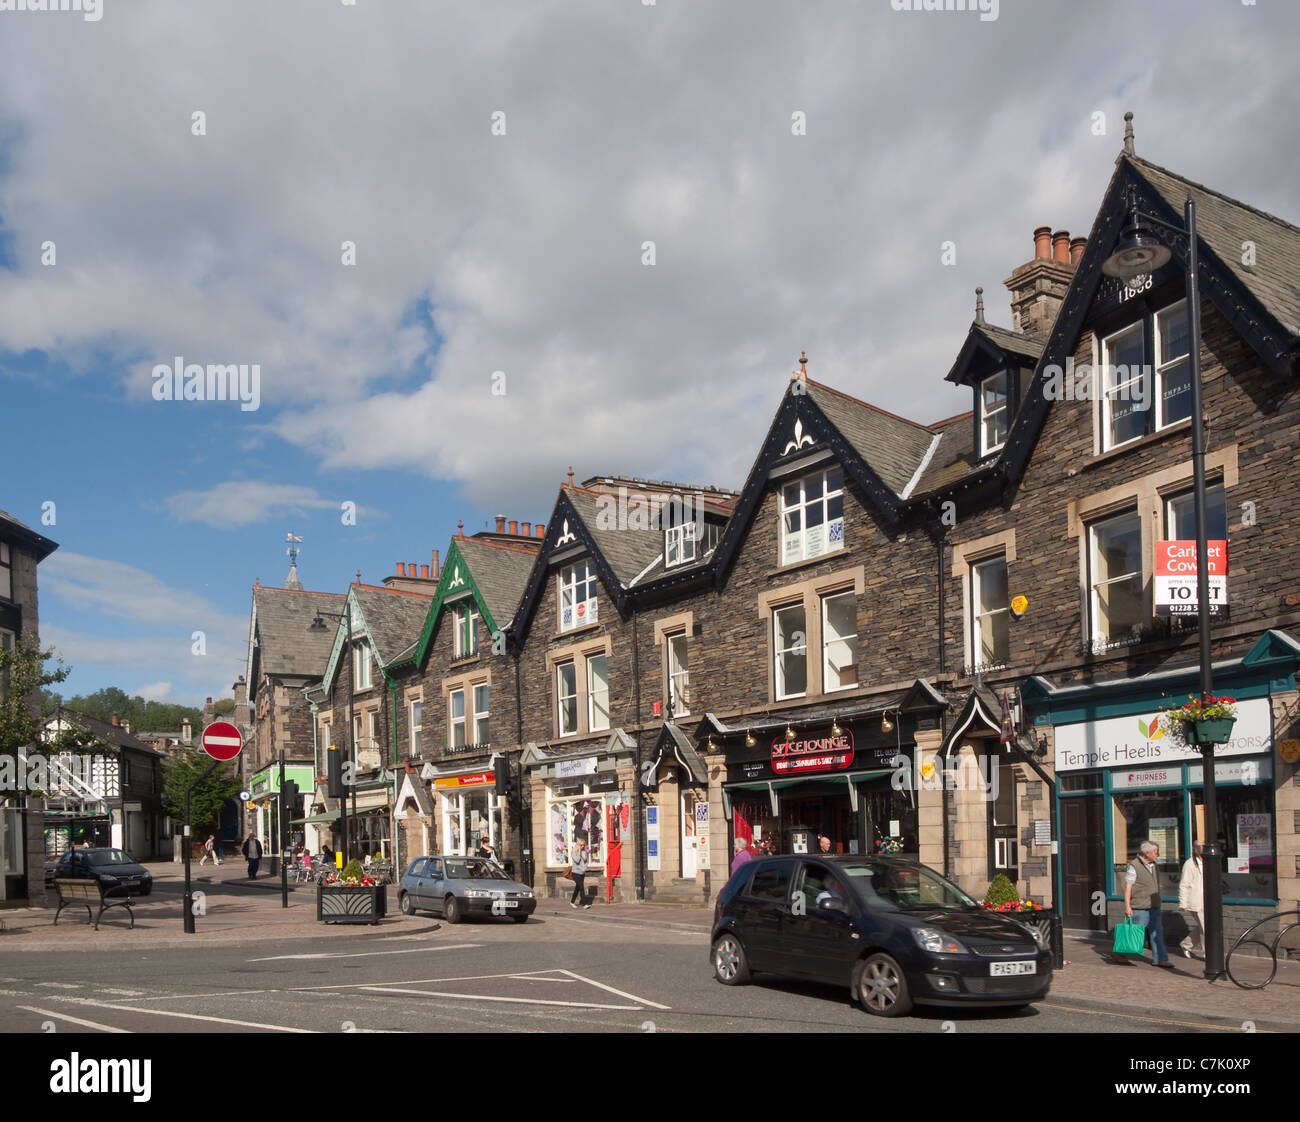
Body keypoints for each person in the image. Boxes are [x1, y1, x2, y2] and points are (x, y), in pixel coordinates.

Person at [1124, 840, 1172, 968]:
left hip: (1154, 906)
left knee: (1157, 932)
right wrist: (1127, 906)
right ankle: (1120, 954)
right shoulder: (1134, 866)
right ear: (1147, 853)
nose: (1158, 854)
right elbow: (1128, 887)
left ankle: (1161, 959)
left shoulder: (1154, 865)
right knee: (1133, 934)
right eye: (1156, 852)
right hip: (1140, 907)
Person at [1179, 844, 1206, 958]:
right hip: (1196, 901)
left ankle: (1186, 945)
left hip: (1208, 900)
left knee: (1204, 927)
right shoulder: (1190, 864)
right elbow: (1184, 884)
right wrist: (1183, 903)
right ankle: (1208, 955)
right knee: (1206, 928)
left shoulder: (1208, 862)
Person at [569, 836, 590, 909]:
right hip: (575, 873)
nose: (582, 846)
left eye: (584, 845)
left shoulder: (584, 852)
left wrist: (585, 867)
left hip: (582, 872)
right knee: (581, 887)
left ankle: (572, 902)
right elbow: (577, 860)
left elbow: (586, 860)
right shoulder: (573, 852)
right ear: (578, 845)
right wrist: (579, 851)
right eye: (581, 845)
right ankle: (584, 904)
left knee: (577, 888)